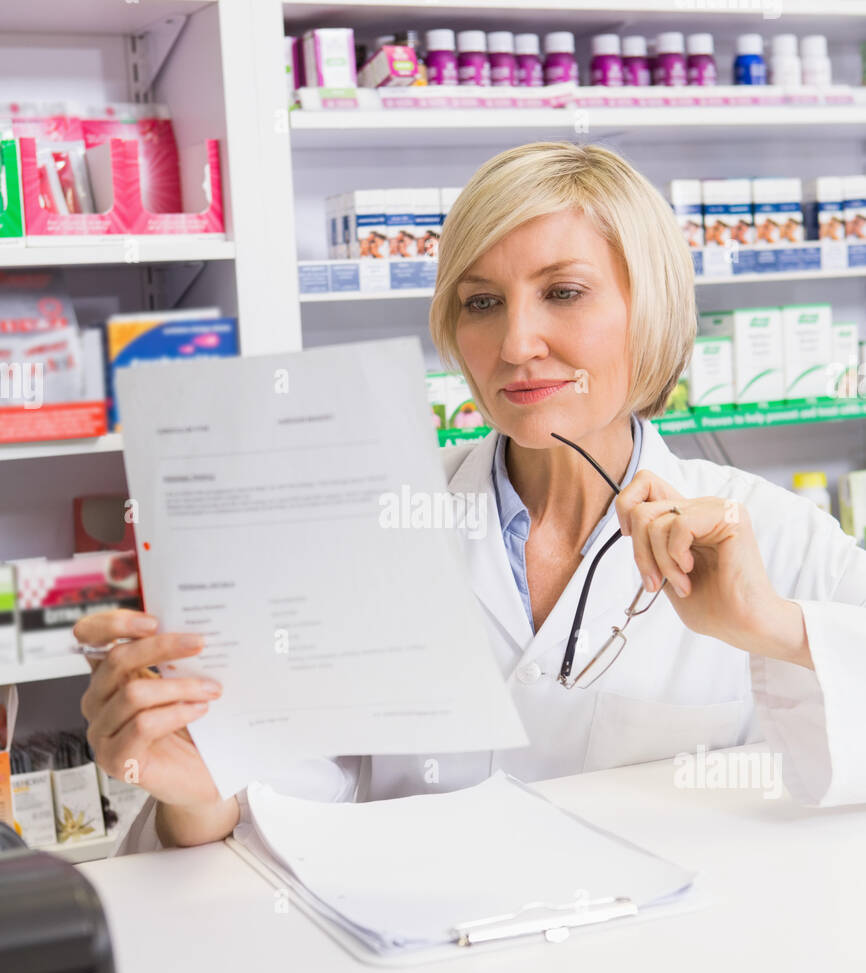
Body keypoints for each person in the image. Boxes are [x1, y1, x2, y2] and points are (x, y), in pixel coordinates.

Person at [76, 142, 866, 852]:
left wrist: (780, 628)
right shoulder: (372, 526)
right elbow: (298, 798)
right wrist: (196, 785)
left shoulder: (769, 532)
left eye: (563, 291)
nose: (516, 344)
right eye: (481, 302)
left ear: (649, 307)